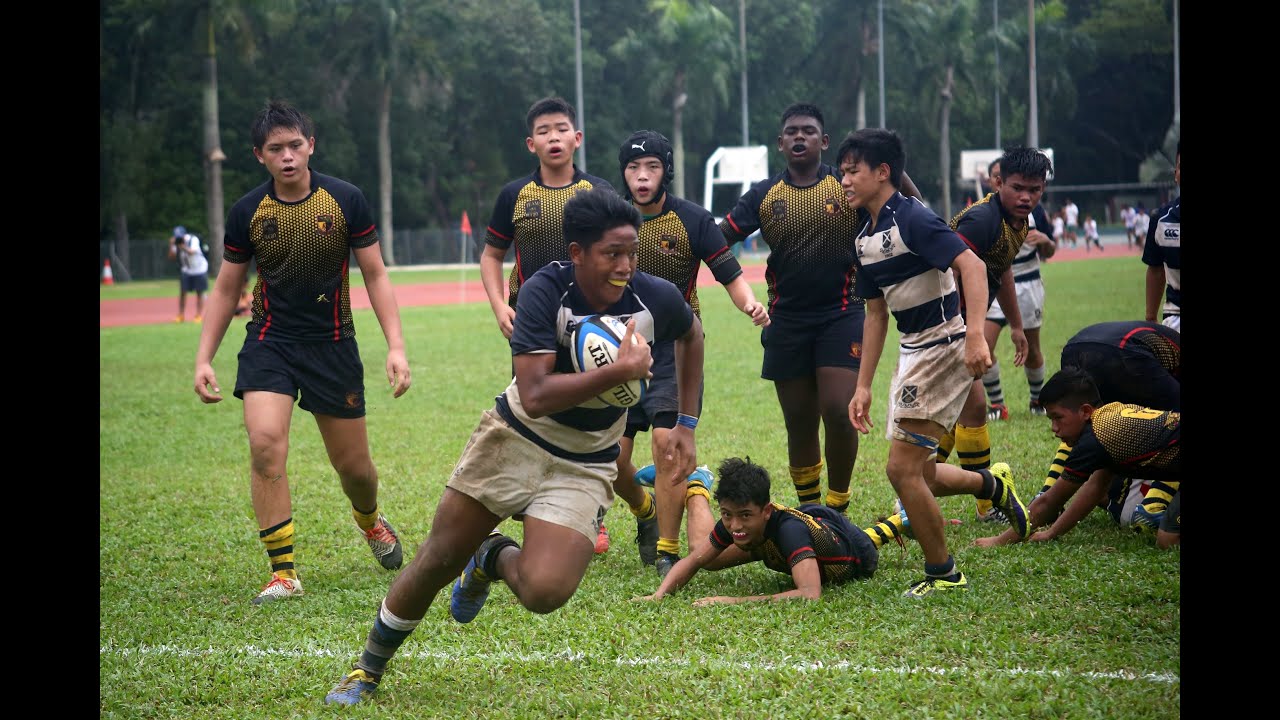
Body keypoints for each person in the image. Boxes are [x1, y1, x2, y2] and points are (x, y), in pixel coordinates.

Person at [324, 188, 705, 706]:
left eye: (632, 252)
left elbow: (692, 333)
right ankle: (366, 668)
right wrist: (621, 370)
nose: (625, 266)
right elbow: (536, 393)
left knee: (546, 592)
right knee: (437, 558)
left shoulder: (652, 295)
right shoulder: (545, 290)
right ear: (577, 252)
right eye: (611, 254)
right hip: (516, 436)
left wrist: (684, 421)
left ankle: (493, 555)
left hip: (587, 459)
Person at [192, 100, 412, 604]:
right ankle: (284, 572)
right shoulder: (248, 211)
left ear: (310, 145)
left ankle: (370, 520)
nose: (287, 156)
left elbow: (375, 274)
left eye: (295, 145)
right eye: (276, 149)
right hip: (270, 341)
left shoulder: (345, 199)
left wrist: (396, 347)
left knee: (355, 470)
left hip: (332, 345)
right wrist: (204, 357)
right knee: (265, 444)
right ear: (259, 156)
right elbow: (227, 290)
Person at [838, 127, 1030, 598]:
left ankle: (943, 572)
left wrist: (974, 339)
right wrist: (862, 386)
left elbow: (973, 267)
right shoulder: (864, 236)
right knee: (920, 473)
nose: (842, 181)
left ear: (883, 173)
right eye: (840, 172)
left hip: (943, 345)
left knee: (901, 470)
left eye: (851, 171)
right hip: (912, 352)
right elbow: (876, 314)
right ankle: (990, 485)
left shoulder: (913, 219)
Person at [717, 103, 920, 517]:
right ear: (780, 143)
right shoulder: (764, 194)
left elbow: (905, 202)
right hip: (785, 319)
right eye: (791, 131)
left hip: (842, 313)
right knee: (799, 420)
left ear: (824, 141)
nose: (799, 138)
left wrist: (892, 170)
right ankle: (811, 510)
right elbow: (718, 239)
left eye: (808, 131)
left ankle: (837, 507)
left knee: (839, 410)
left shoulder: (846, 185)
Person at [612, 130, 770, 575]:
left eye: (652, 168)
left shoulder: (693, 219)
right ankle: (644, 511)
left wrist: (749, 304)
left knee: (668, 444)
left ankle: (665, 550)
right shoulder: (614, 220)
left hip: (677, 346)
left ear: (667, 171)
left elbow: (728, 272)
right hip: (618, 344)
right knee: (612, 458)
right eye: (633, 169)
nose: (642, 178)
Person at [478, 96, 616, 552]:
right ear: (530, 143)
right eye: (544, 131)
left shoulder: (598, 193)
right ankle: (528, 502)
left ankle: (592, 512)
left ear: (577, 138)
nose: (553, 137)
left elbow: (616, 254)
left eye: (561, 129)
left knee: (589, 414)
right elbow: (492, 255)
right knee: (529, 412)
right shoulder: (514, 195)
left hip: (589, 323)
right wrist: (500, 306)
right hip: (531, 326)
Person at [974, 321, 1180, 549]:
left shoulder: (1095, 438)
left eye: (1057, 417)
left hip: (1106, 348)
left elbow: (1048, 504)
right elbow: (1095, 488)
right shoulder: (1110, 417)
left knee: (1167, 541)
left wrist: (998, 541)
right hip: (1104, 346)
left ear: (1084, 411)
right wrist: (1051, 533)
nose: (1053, 428)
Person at [936, 147, 1052, 523]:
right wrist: (966, 331)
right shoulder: (982, 219)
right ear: (999, 182)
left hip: (957, 320)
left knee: (960, 410)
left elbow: (1001, 269)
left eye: (1034, 189)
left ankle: (918, 490)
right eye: (1018, 187)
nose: (1026, 197)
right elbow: (953, 273)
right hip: (941, 318)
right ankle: (980, 504)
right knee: (969, 405)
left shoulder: (1019, 219)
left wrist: (1016, 326)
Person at [634, 456, 910, 605]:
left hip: (856, 552)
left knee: (865, 539)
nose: (735, 526)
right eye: (727, 515)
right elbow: (693, 561)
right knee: (708, 557)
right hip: (801, 529)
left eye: (744, 515)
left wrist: (732, 601)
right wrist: (658, 596)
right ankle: (697, 483)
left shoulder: (791, 533)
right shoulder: (738, 522)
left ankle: (901, 521)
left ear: (766, 511)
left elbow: (810, 593)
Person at [980, 158, 1056, 431]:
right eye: (997, 176)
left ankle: (1037, 400)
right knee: (984, 348)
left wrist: (1046, 242)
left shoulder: (1035, 212)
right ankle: (997, 405)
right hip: (994, 285)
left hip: (1027, 284)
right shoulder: (984, 213)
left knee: (1031, 348)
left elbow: (1050, 251)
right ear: (994, 181)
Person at [1143, 142, 1180, 332]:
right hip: (1176, 315)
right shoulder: (1161, 220)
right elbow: (1155, 269)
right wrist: (1150, 317)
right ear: (1176, 174)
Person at [169, 225, 209, 323]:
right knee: (183, 292)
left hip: (199, 268)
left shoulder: (193, 239)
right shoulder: (176, 243)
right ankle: (181, 315)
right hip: (186, 269)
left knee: (199, 292)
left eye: (180, 236)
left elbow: (191, 252)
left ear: (184, 234)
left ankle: (198, 316)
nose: (179, 238)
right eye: (177, 236)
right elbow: (172, 257)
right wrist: (172, 245)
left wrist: (181, 246)